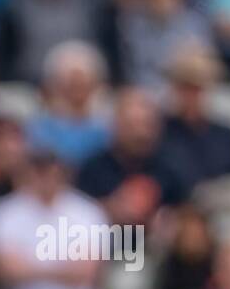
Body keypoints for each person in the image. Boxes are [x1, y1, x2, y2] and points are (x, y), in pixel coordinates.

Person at [0, 147, 106, 289]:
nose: (45, 178)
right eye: (38, 171)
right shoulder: (3, 213)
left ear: (63, 173)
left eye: (50, 171)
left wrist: (31, 270)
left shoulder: (88, 212)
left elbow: (86, 272)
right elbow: (7, 271)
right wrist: (63, 271)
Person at [76, 86, 184, 227]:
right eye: (132, 126)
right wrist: (106, 210)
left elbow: (183, 210)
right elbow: (73, 213)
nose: (140, 134)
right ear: (115, 126)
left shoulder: (168, 169)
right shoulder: (92, 170)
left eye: (147, 126)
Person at [158, 46, 230, 197]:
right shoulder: (161, 133)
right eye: (186, 87)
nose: (192, 95)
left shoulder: (225, 134)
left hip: (229, 205)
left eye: (198, 88)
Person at [24, 40, 111, 166]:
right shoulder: (39, 128)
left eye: (82, 82)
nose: (77, 88)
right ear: (56, 84)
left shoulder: (107, 126)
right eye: (71, 82)